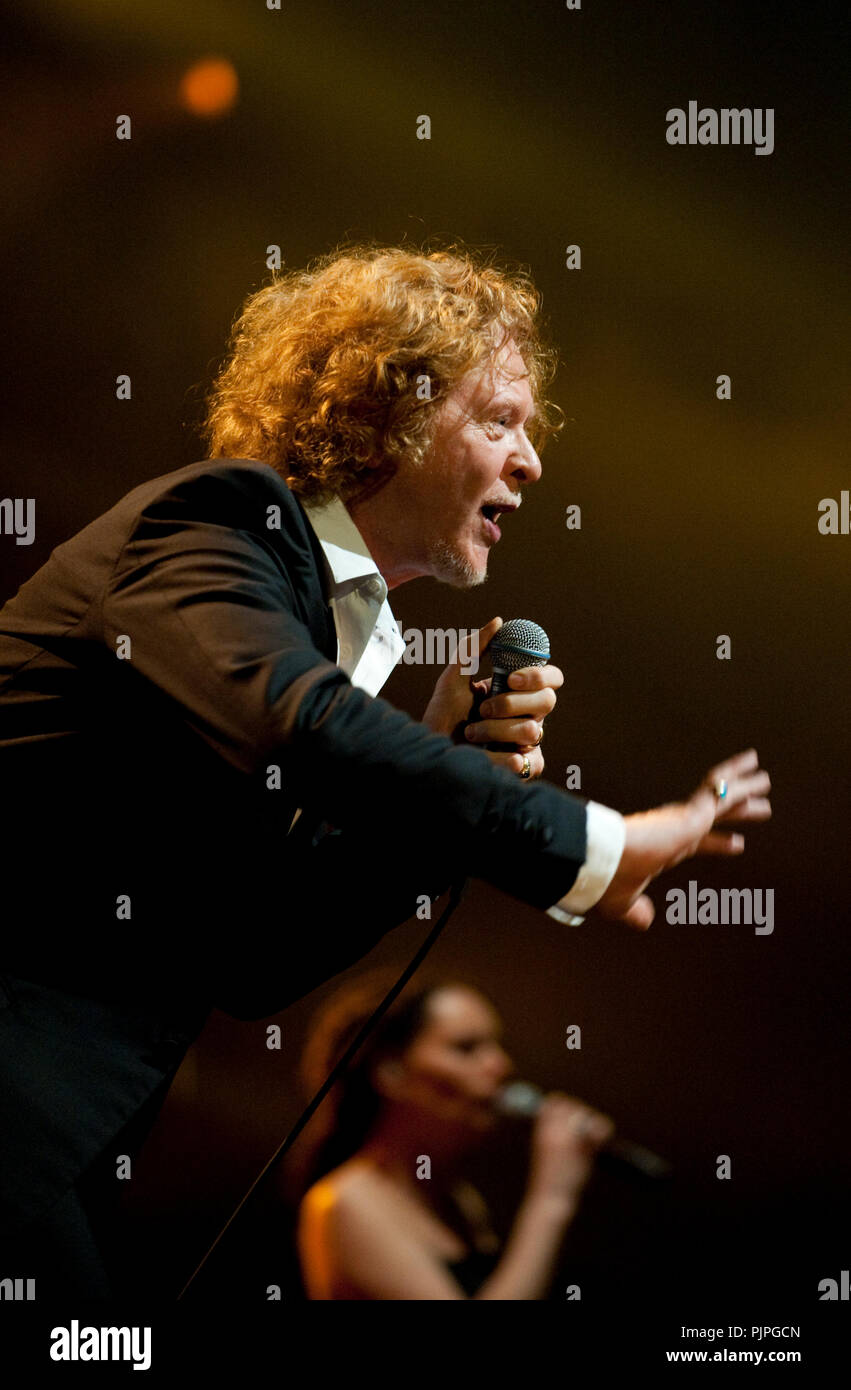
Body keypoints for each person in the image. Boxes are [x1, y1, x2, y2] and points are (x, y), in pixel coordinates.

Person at [0, 242, 770, 1297]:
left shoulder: (327, 629)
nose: (532, 459)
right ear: (387, 411)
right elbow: (300, 722)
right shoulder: (220, 523)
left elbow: (255, 957)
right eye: (498, 419)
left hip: (63, 1142)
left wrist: (444, 775)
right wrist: (592, 846)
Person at [295, 973, 615, 1300]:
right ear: (390, 1072)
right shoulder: (346, 1203)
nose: (500, 1065)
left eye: (495, 1046)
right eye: (466, 1048)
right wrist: (552, 1199)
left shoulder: (459, 1201)